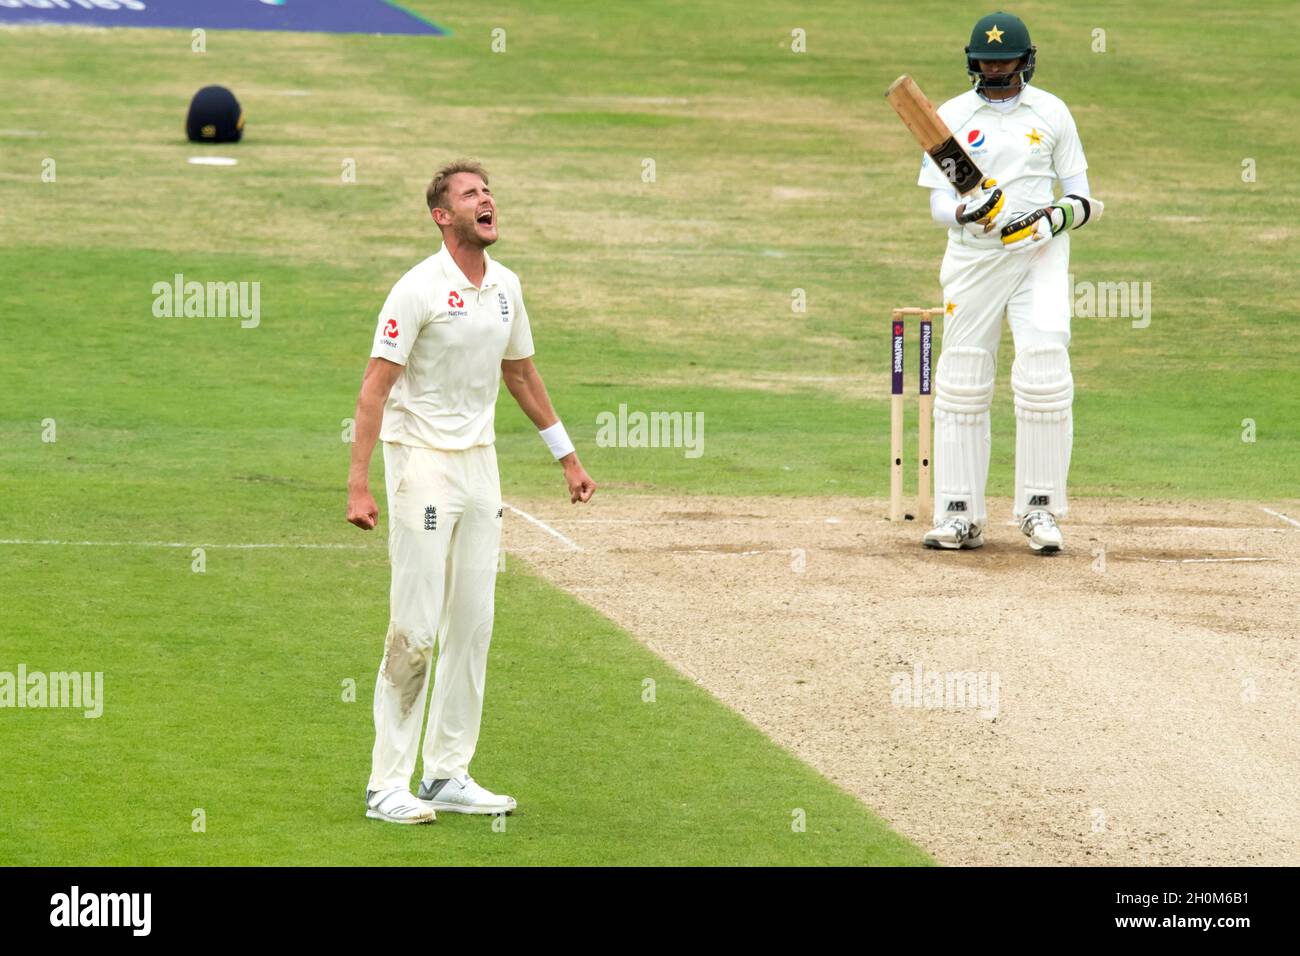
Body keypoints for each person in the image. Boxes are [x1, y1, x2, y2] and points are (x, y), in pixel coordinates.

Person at [346, 160, 596, 823]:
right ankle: (385, 785)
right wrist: (358, 485)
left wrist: (566, 457)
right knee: (417, 628)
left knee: (474, 626)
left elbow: (520, 374)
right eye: (470, 195)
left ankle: (446, 773)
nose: (486, 200)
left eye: (487, 192)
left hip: (479, 466)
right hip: (421, 465)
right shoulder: (417, 289)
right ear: (442, 216)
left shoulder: (507, 287)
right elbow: (373, 388)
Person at [916, 11, 1104, 553]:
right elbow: (938, 202)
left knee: (1045, 371)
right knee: (963, 378)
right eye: (986, 60)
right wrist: (965, 214)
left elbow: (1085, 199)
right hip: (974, 259)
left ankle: (1040, 512)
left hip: (1039, 257)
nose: (996, 68)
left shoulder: (1051, 112)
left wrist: (1049, 220)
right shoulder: (950, 117)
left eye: (1005, 60)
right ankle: (959, 515)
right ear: (972, 62)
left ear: (1026, 60)